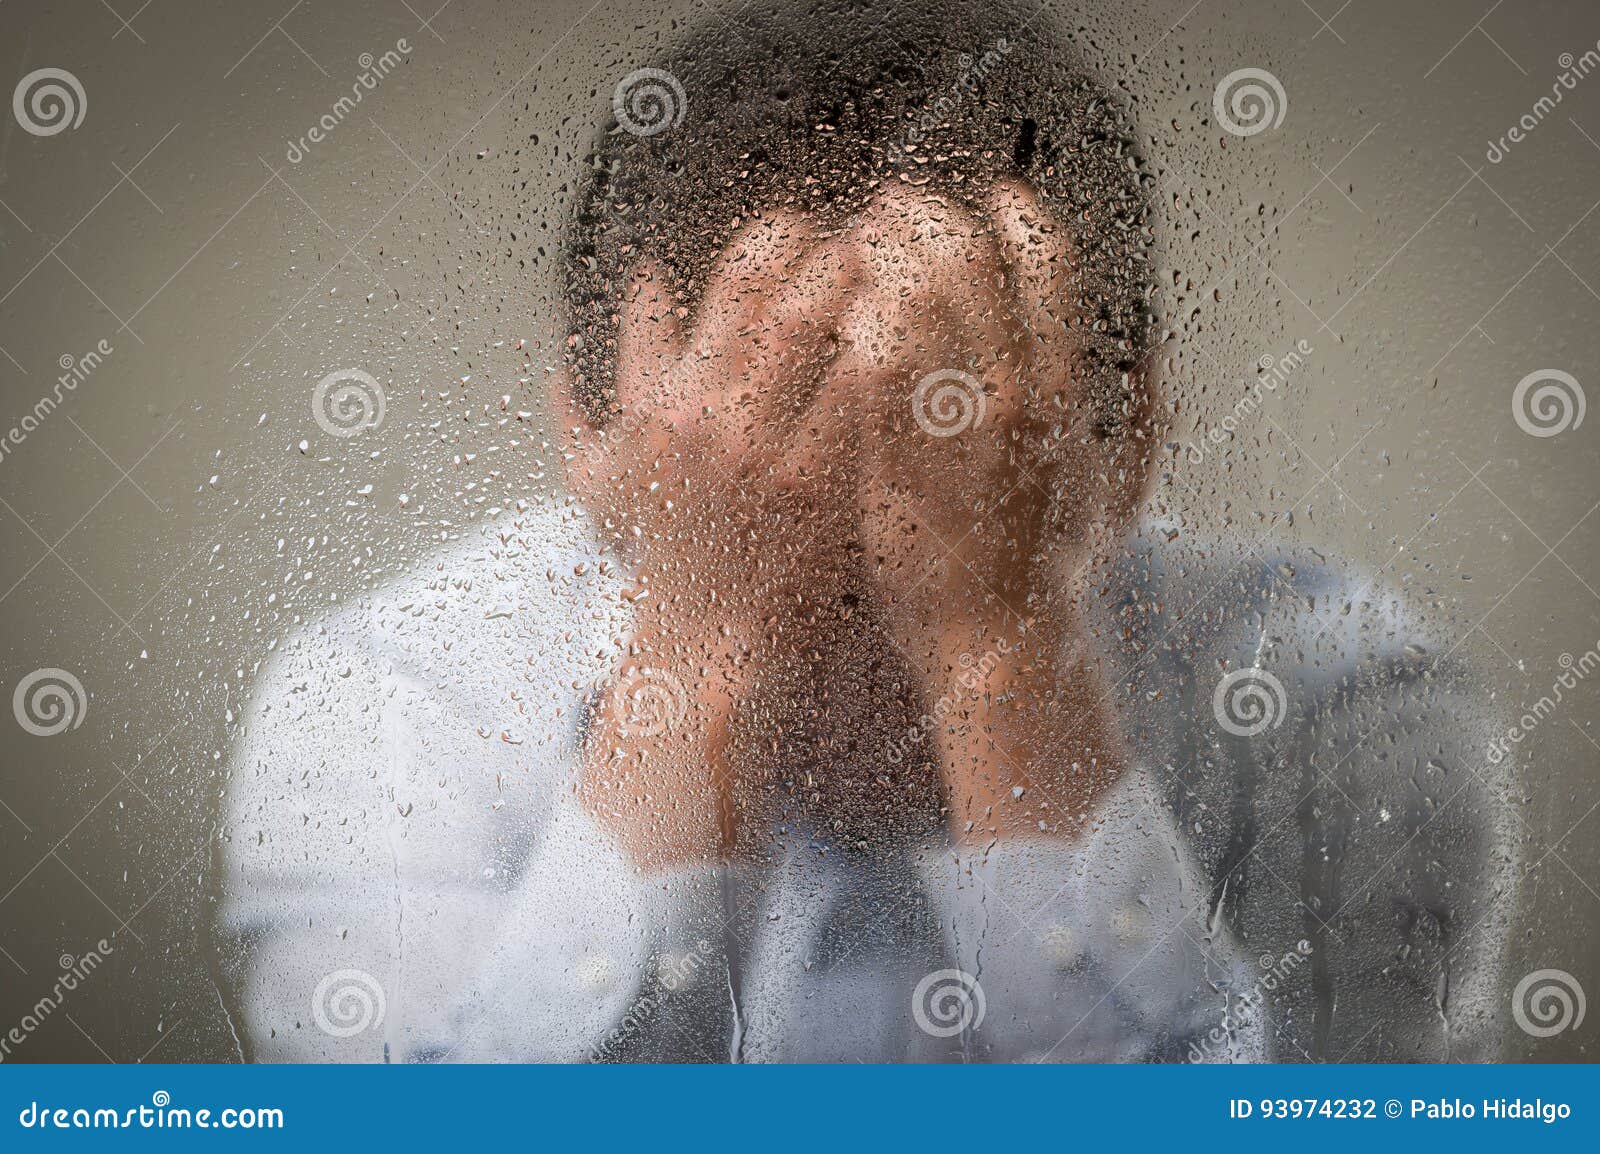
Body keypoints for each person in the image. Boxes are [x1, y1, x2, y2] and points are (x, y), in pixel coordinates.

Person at [217, 0, 1518, 1062]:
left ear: (1134, 446)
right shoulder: (390, 698)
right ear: (583, 437)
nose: (861, 653)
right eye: (753, 515)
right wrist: (699, 654)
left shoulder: (1340, 697)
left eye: (962, 514)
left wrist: (1001, 655)